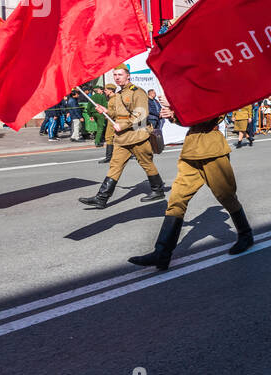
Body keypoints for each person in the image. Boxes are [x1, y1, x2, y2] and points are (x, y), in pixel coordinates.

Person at [128, 113, 254, 270]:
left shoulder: (212, 91)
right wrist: (172, 115)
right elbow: (187, 120)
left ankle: (246, 235)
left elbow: (206, 115)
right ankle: (162, 253)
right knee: (176, 200)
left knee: (226, 196)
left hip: (212, 148)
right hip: (191, 150)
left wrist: (176, 113)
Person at [78, 65, 164, 208]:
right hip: (122, 138)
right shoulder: (118, 94)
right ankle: (101, 198)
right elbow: (116, 114)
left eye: (120, 75)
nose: (117, 77)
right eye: (115, 75)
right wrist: (105, 110)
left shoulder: (137, 92)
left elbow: (141, 114)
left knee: (146, 163)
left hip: (137, 136)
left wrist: (123, 125)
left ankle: (158, 190)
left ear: (128, 76)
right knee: (115, 166)